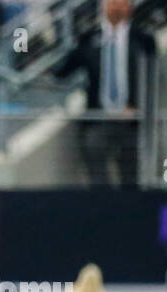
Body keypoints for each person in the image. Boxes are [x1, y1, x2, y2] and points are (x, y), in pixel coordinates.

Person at [53, 0, 155, 187]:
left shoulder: (143, 40)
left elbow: (152, 79)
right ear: (103, 7)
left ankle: (128, 211)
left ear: (130, 8)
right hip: (98, 117)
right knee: (96, 169)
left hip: (132, 119)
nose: (117, 7)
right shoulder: (88, 39)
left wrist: (139, 108)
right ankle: (104, 209)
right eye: (113, 2)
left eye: (122, 3)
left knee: (131, 175)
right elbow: (64, 70)